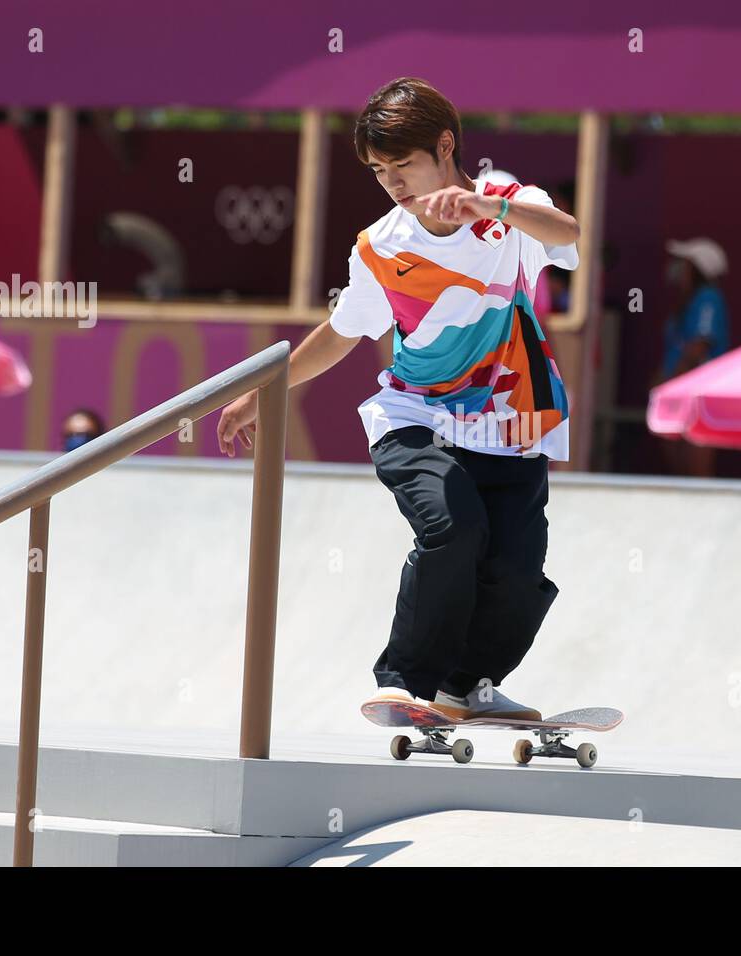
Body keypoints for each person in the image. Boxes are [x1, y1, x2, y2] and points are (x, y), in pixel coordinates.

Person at [216, 77, 580, 721]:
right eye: (380, 171)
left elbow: (566, 231)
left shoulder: (507, 204)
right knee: (452, 526)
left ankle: (467, 688)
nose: (393, 184)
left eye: (403, 166)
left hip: (513, 420)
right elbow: (342, 334)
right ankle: (406, 680)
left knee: (518, 571)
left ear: (445, 146)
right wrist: (265, 393)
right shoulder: (382, 245)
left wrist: (487, 209)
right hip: (415, 416)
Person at [653, 238, 732, 477]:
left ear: (698, 269)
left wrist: (668, 386)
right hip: (680, 394)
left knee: (695, 467)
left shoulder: (708, 298)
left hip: (698, 396)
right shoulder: (690, 302)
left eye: (684, 263)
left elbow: (698, 347)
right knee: (678, 465)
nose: (678, 268)